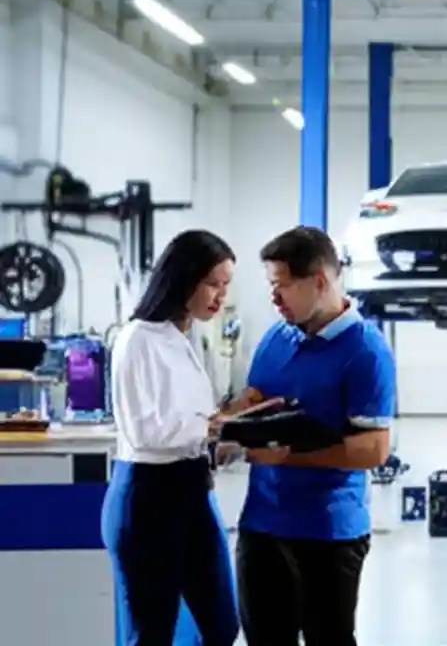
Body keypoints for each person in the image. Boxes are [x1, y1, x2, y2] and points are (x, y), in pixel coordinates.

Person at [233, 225, 396, 646]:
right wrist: (216, 419)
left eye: (281, 286)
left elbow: (373, 449)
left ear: (319, 281)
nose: (273, 298)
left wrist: (286, 457)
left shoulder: (365, 351)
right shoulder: (277, 336)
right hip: (261, 525)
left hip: (327, 534)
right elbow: (256, 395)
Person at [100, 229, 262, 646]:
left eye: (225, 285)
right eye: (212, 283)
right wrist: (215, 424)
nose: (219, 296)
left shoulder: (182, 337)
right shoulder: (137, 339)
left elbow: (187, 422)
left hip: (191, 490)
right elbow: (145, 431)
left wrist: (231, 425)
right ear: (183, 278)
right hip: (149, 497)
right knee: (152, 631)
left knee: (222, 625)